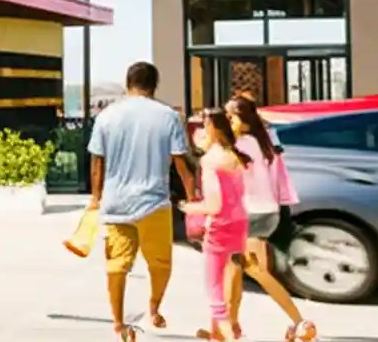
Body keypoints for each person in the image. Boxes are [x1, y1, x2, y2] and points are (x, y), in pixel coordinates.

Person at [87, 61, 197, 341]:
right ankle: (154, 307)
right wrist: (193, 197)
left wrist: (96, 198)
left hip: (116, 204)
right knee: (160, 264)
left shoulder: (107, 116)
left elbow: (97, 163)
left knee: (116, 267)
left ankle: (117, 323)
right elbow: (181, 163)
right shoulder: (167, 116)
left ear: (128, 83)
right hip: (154, 204)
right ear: (154, 84)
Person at [226, 94, 318, 342]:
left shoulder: (243, 144)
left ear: (243, 121)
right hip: (265, 211)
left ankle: (301, 322)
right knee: (234, 269)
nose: (227, 121)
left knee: (254, 271)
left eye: (230, 117)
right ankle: (229, 327)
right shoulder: (262, 141)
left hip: (253, 213)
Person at [179, 109, 251, 342]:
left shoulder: (210, 161)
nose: (196, 133)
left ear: (212, 129)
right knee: (229, 279)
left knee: (215, 290)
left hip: (219, 228)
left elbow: (214, 204)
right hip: (240, 224)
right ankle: (217, 333)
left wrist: (189, 208)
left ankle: (228, 335)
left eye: (201, 127)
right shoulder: (235, 156)